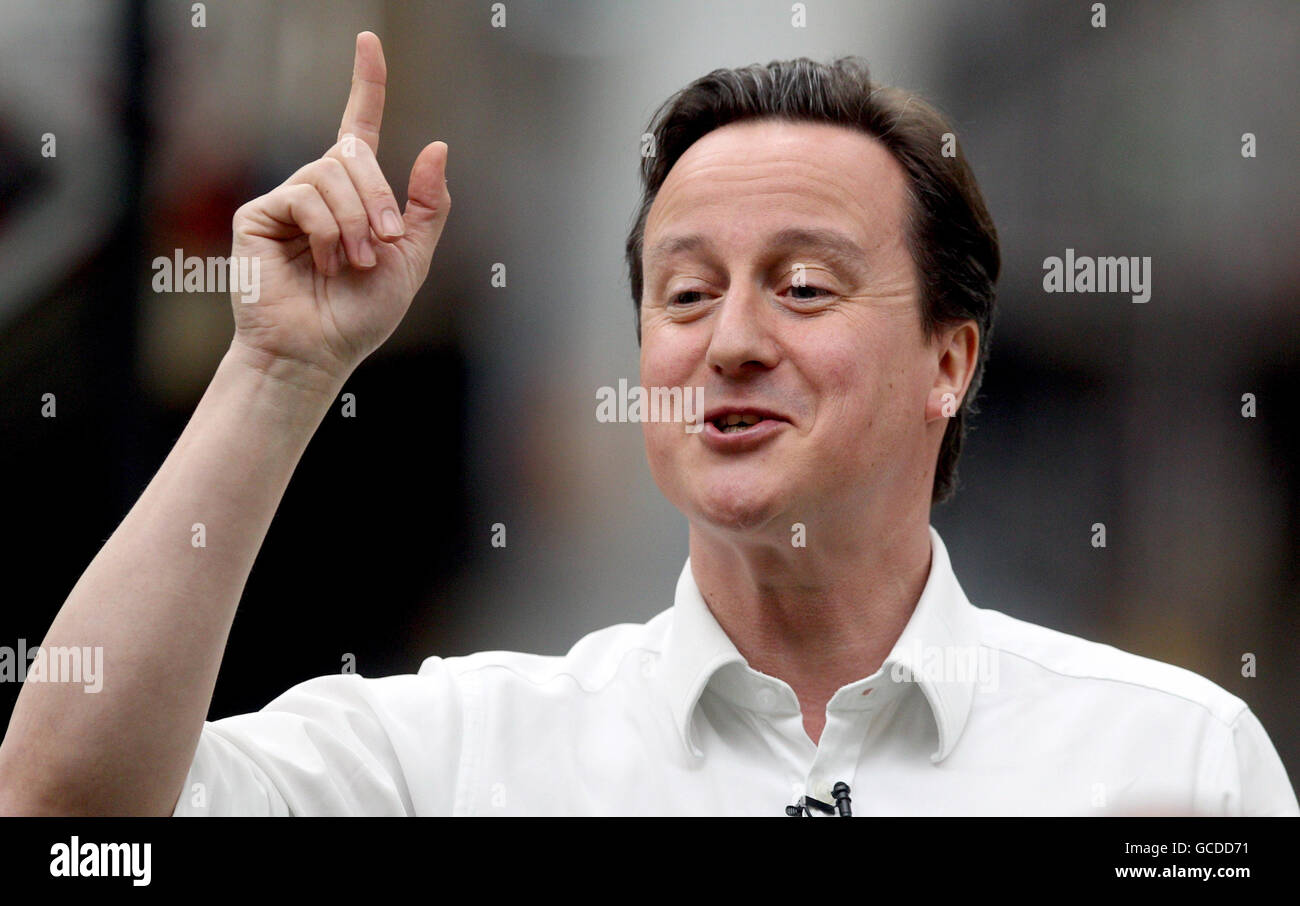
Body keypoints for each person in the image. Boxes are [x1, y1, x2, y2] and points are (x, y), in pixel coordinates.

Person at [0, 32, 1294, 817]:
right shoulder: (457, 753)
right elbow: (67, 804)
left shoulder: (1168, 757)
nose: (730, 336)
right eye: (685, 291)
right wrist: (279, 368)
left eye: (802, 284)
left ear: (949, 359)